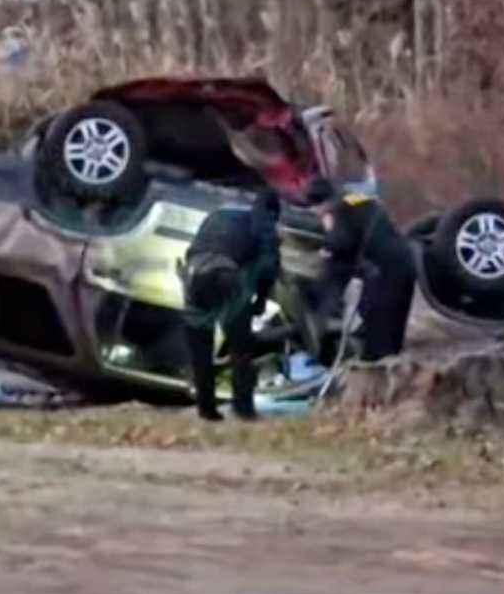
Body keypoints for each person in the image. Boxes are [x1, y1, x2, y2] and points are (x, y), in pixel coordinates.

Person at [177, 189, 283, 421]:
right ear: (274, 213)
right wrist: (260, 302)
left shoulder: (218, 214)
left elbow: (194, 247)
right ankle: (243, 409)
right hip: (227, 279)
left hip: (194, 274)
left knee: (200, 349)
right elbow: (268, 268)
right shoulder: (266, 226)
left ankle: (206, 409)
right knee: (240, 348)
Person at [305, 178, 417, 363]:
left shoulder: (337, 209)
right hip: (403, 261)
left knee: (378, 320)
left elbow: (342, 247)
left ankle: (378, 364)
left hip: (385, 269)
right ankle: (388, 357)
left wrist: (328, 250)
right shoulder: (355, 199)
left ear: (319, 205)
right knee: (385, 314)